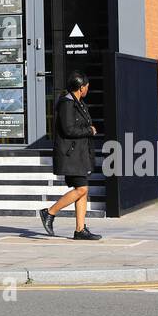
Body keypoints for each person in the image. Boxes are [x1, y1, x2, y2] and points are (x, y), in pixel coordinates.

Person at [39, 70, 102, 241]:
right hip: (70, 155)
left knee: (82, 191)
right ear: (81, 87)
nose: (88, 89)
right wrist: (89, 130)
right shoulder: (67, 104)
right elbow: (68, 130)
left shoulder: (79, 103)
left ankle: (80, 230)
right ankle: (50, 212)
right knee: (82, 189)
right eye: (87, 87)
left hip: (79, 155)